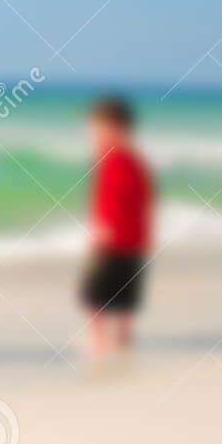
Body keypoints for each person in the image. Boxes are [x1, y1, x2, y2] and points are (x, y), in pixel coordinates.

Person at [80, 95, 154, 361]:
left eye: (98, 129)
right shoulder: (126, 160)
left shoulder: (116, 160)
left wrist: (102, 229)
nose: (94, 135)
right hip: (132, 239)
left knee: (97, 291)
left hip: (115, 240)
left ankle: (101, 338)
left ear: (119, 128)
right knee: (122, 291)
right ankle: (116, 336)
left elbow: (114, 199)